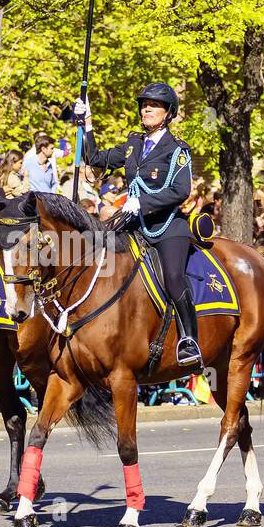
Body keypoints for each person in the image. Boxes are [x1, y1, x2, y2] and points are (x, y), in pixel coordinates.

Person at [75, 82, 202, 368]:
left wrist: (142, 203)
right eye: (144, 104)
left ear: (168, 113)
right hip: (134, 224)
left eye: (154, 105)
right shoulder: (134, 144)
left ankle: (189, 340)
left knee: (172, 276)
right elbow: (95, 159)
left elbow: (181, 190)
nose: (147, 108)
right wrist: (87, 123)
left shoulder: (178, 150)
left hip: (167, 227)